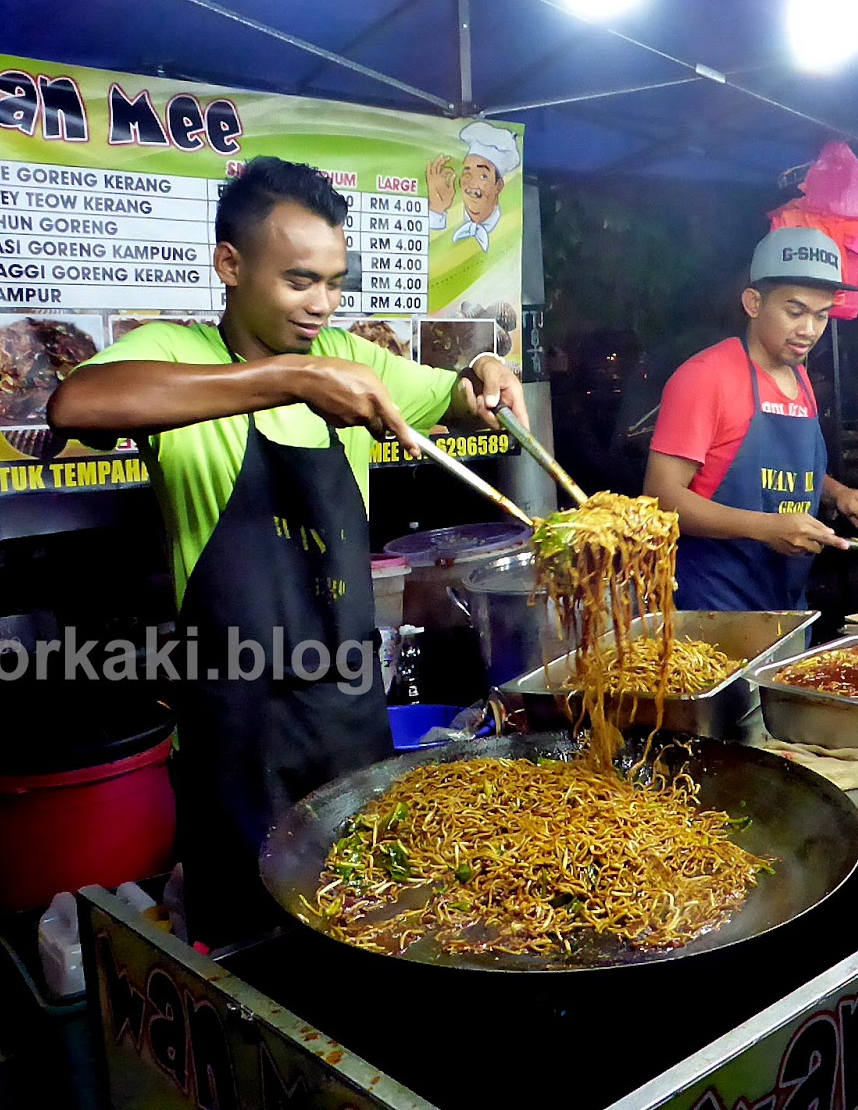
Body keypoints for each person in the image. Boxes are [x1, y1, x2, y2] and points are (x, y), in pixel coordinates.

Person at [47, 156, 526, 943]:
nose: (323, 305)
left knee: (372, 922)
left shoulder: (354, 361)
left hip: (347, 714)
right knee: (254, 950)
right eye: (300, 280)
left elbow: (457, 398)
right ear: (230, 265)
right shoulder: (181, 354)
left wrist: (483, 368)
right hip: (236, 731)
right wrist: (293, 378)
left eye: (335, 283)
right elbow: (78, 404)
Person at [643, 227, 858, 611]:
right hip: (710, 606)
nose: (809, 330)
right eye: (795, 312)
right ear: (753, 303)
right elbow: (660, 499)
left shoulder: (800, 377)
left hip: (784, 601)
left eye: (821, 316)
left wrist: (839, 494)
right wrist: (764, 527)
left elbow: (785, 469)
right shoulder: (705, 377)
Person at [425, 121, 521, 253]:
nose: (471, 183)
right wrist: (436, 209)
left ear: (498, 186)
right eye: (467, 173)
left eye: (483, 176)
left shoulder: (510, 229)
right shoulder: (445, 218)